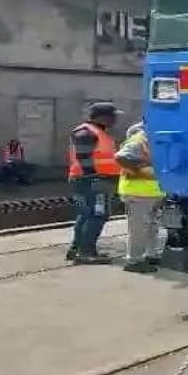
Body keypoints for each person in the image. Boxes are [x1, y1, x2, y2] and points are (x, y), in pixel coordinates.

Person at [66, 102, 124, 264]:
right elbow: (83, 157)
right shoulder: (86, 132)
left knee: (87, 214)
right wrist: (94, 177)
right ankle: (86, 252)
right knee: (97, 214)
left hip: (94, 180)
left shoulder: (98, 132)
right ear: (102, 117)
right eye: (113, 116)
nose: (115, 120)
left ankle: (77, 249)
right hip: (93, 180)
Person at [115, 119, 165, 273]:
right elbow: (121, 157)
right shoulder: (141, 137)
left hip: (153, 191)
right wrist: (139, 170)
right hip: (138, 192)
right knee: (139, 228)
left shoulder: (155, 137)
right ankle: (134, 260)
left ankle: (151, 254)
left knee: (152, 225)